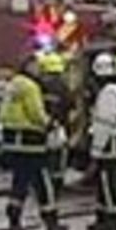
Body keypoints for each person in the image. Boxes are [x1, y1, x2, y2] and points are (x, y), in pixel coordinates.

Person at [0, 56, 68, 230]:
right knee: (42, 180)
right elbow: (36, 112)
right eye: (36, 66)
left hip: (12, 139)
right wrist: (50, 124)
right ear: (29, 67)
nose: (40, 70)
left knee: (20, 181)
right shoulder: (30, 87)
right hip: (31, 141)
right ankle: (50, 220)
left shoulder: (13, 84)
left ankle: (14, 220)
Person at [87, 52, 116, 230]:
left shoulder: (108, 93)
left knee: (107, 181)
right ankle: (104, 216)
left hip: (108, 142)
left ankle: (112, 220)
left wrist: (96, 149)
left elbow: (104, 122)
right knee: (106, 181)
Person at [36, 50, 71, 191]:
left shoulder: (38, 85)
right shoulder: (63, 86)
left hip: (42, 126)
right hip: (59, 126)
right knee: (59, 156)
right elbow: (70, 104)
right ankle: (57, 181)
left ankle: (44, 182)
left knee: (43, 156)